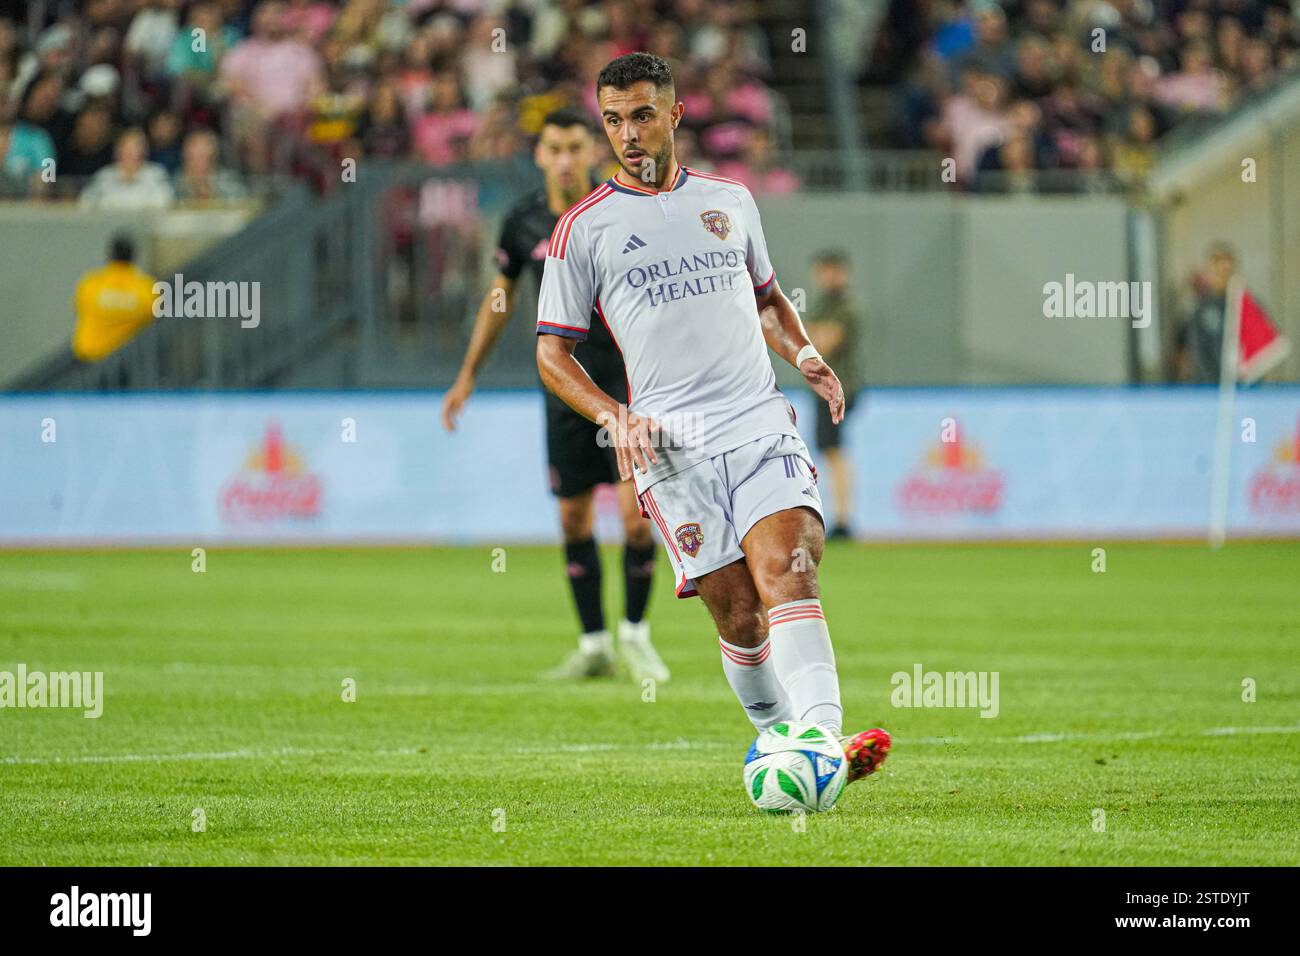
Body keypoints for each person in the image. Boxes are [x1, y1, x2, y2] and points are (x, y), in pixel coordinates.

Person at [535, 53, 890, 783]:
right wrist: (615, 415)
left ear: (674, 115)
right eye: (612, 120)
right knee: (738, 617)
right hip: (672, 449)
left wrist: (805, 353)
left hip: (757, 421)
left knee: (788, 571)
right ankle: (781, 736)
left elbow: (766, 298)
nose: (627, 134)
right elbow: (551, 354)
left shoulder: (730, 201)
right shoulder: (583, 230)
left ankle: (822, 744)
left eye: (640, 115)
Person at [441, 108, 667, 684]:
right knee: (572, 516)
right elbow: (501, 301)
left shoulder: (622, 210)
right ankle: (593, 645)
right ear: (539, 155)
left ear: (592, 151)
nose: (565, 160)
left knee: (637, 518)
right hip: (563, 385)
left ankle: (636, 636)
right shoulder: (522, 222)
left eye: (574, 148)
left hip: (627, 385)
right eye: (554, 149)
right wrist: (468, 374)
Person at [805, 250, 864, 540]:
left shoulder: (845, 306)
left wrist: (808, 334)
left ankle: (843, 519)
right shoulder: (822, 305)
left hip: (838, 389)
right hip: (822, 391)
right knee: (830, 451)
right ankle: (840, 517)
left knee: (835, 451)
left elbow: (820, 345)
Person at [72, 235, 159, 363]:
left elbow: (80, 309)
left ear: (110, 255)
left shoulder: (90, 284)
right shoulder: (147, 289)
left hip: (88, 358)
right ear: (134, 257)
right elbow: (151, 319)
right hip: (125, 363)